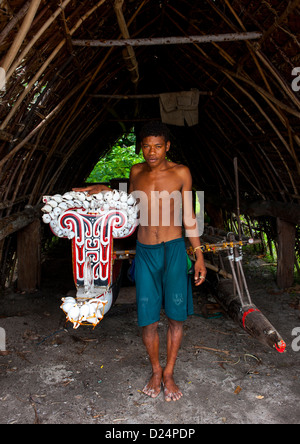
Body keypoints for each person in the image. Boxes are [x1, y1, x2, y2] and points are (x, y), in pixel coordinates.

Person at [74, 121, 206, 401]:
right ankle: (155, 371)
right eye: (146, 146)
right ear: (141, 148)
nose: (152, 151)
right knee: (147, 319)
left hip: (173, 249)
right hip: (145, 250)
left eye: (157, 146)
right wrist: (104, 190)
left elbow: (189, 217)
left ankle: (169, 373)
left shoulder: (181, 172)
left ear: (167, 146)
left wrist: (198, 256)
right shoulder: (136, 171)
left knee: (175, 316)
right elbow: (127, 203)